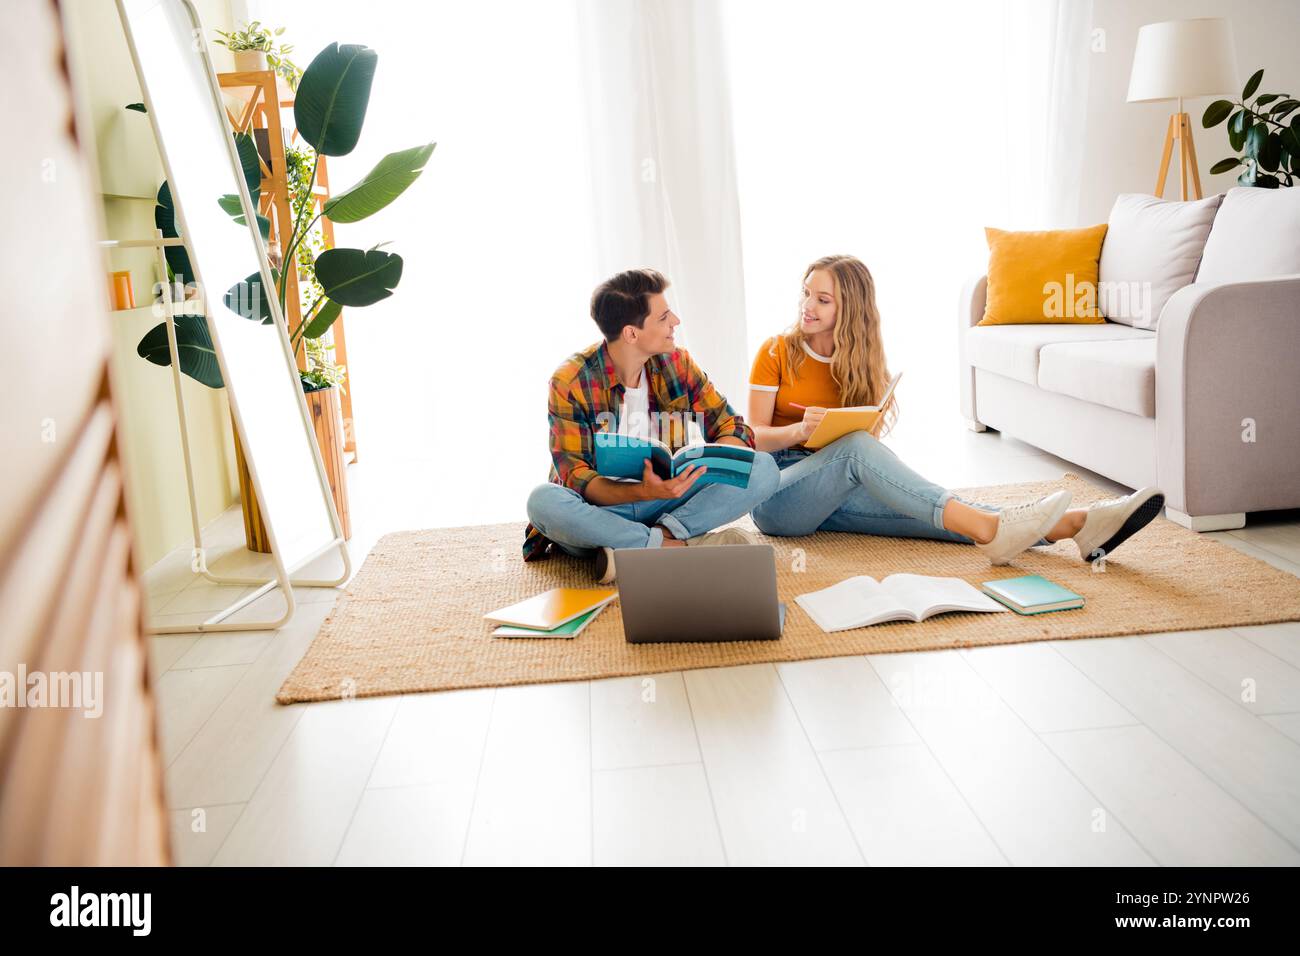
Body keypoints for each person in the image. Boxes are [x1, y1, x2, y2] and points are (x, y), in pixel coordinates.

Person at [747, 254, 1164, 565]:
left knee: (944, 516)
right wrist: (798, 432)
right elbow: (750, 437)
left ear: (850, 310)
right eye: (806, 293)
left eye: (822, 299)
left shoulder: (862, 362)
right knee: (863, 453)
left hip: (834, 495)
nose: (808, 306)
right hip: (778, 496)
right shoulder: (776, 351)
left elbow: (862, 451)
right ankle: (1018, 529)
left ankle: (1081, 525)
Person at [524, 268, 780, 583]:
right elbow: (577, 479)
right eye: (663, 317)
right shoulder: (571, 380)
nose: (675, 321)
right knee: (543, 501)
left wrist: (711, 462)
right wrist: (642, 490)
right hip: (602, 509)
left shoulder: (677, 364)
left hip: (666, 502)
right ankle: (678, 548)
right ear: (632, 333)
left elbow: (733, 426)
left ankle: (644, 543)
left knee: (763, 468)